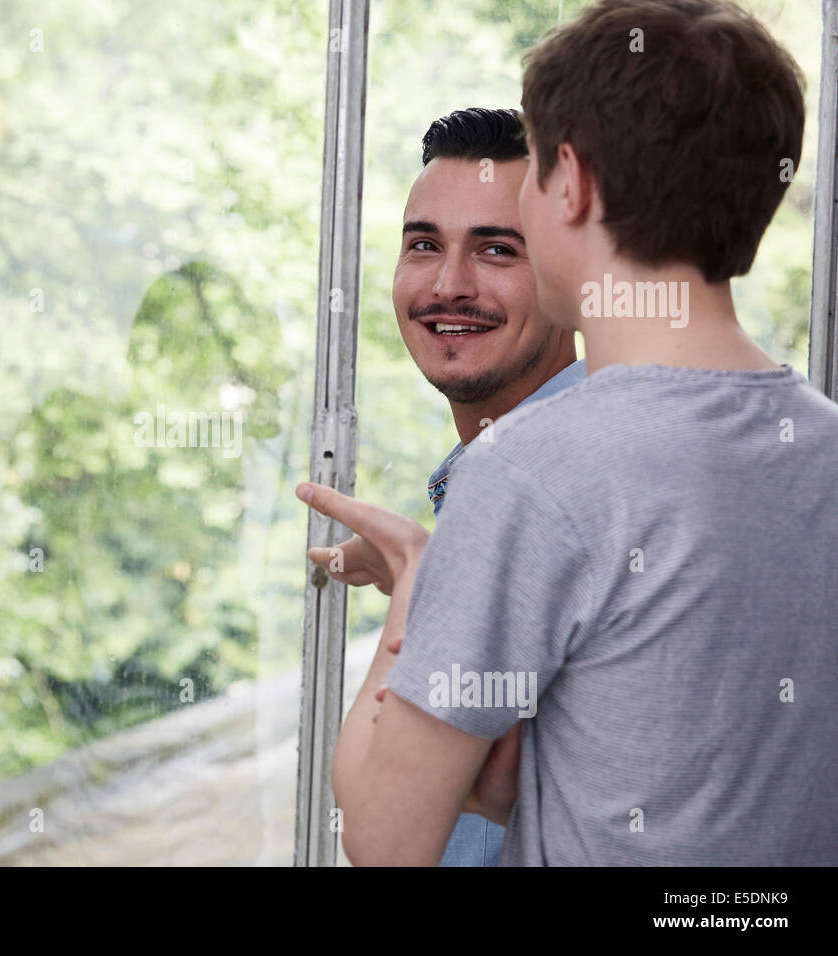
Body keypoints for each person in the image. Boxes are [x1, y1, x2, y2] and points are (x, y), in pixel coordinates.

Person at [302, 0, 838, 865]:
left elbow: (384, 839)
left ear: (574, 184)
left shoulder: (526, 469)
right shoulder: (822, 444)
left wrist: (416, 576)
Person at [388, 106, 584, 865]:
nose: (448, 284)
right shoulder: (491, 483)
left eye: (497, 249)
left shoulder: (559, 481)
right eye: (424, 246)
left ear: (570, 275)